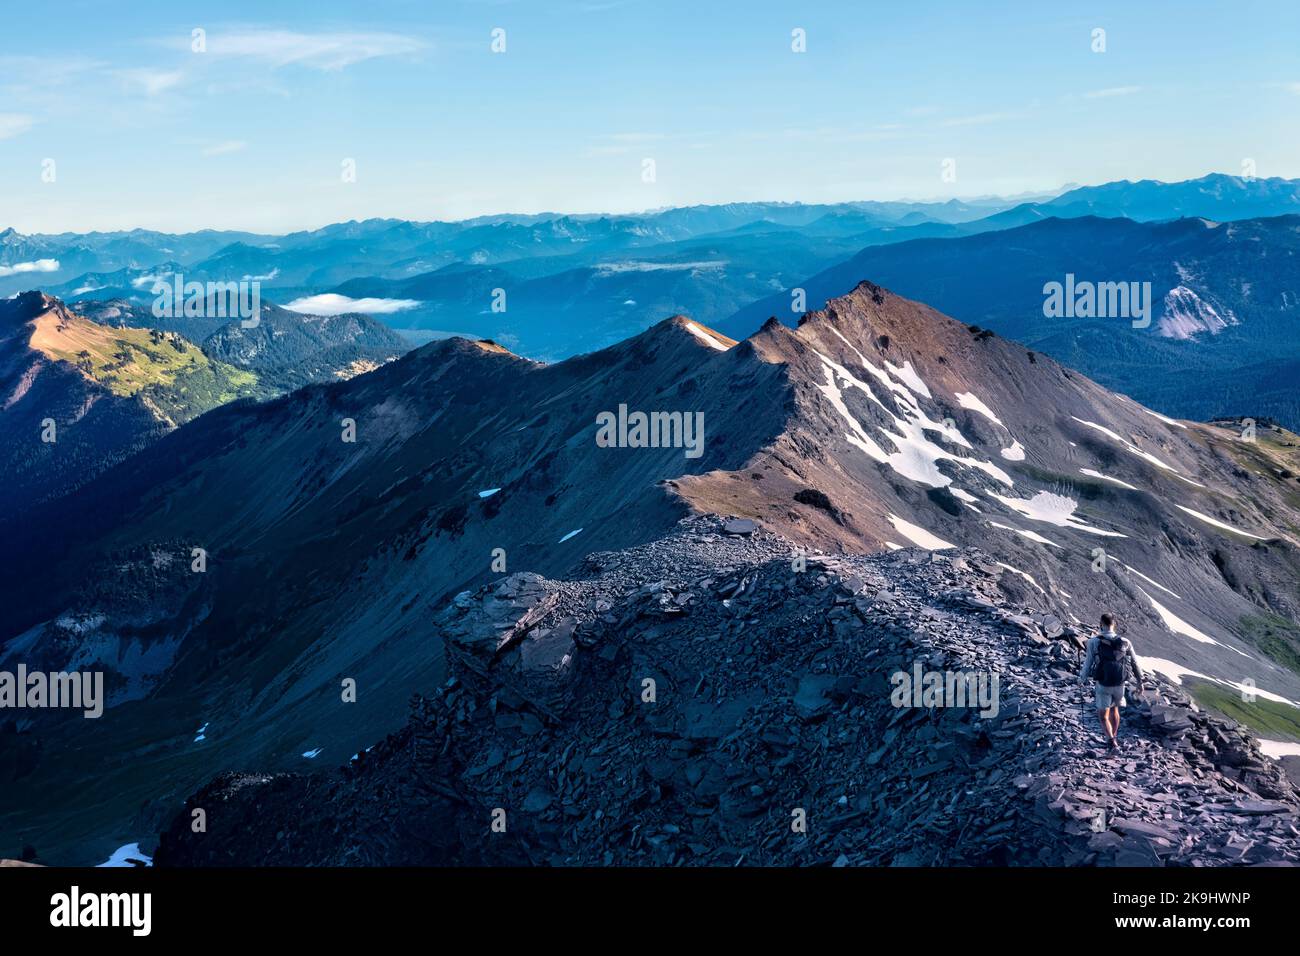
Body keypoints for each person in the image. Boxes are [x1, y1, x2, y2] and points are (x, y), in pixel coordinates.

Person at [1079, 613, 1146, 750]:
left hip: (1103, 683)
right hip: (1120, 683)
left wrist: (1082, 678)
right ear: (1114, 624)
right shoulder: (1125, 642)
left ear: (1101, 624)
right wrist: (1140, 682)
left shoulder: (1094, 642)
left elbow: (1088, 663)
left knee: (1103, 715)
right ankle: (1113, 736)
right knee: (1115, 710)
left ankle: (1111, 741)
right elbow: (1134, 663)